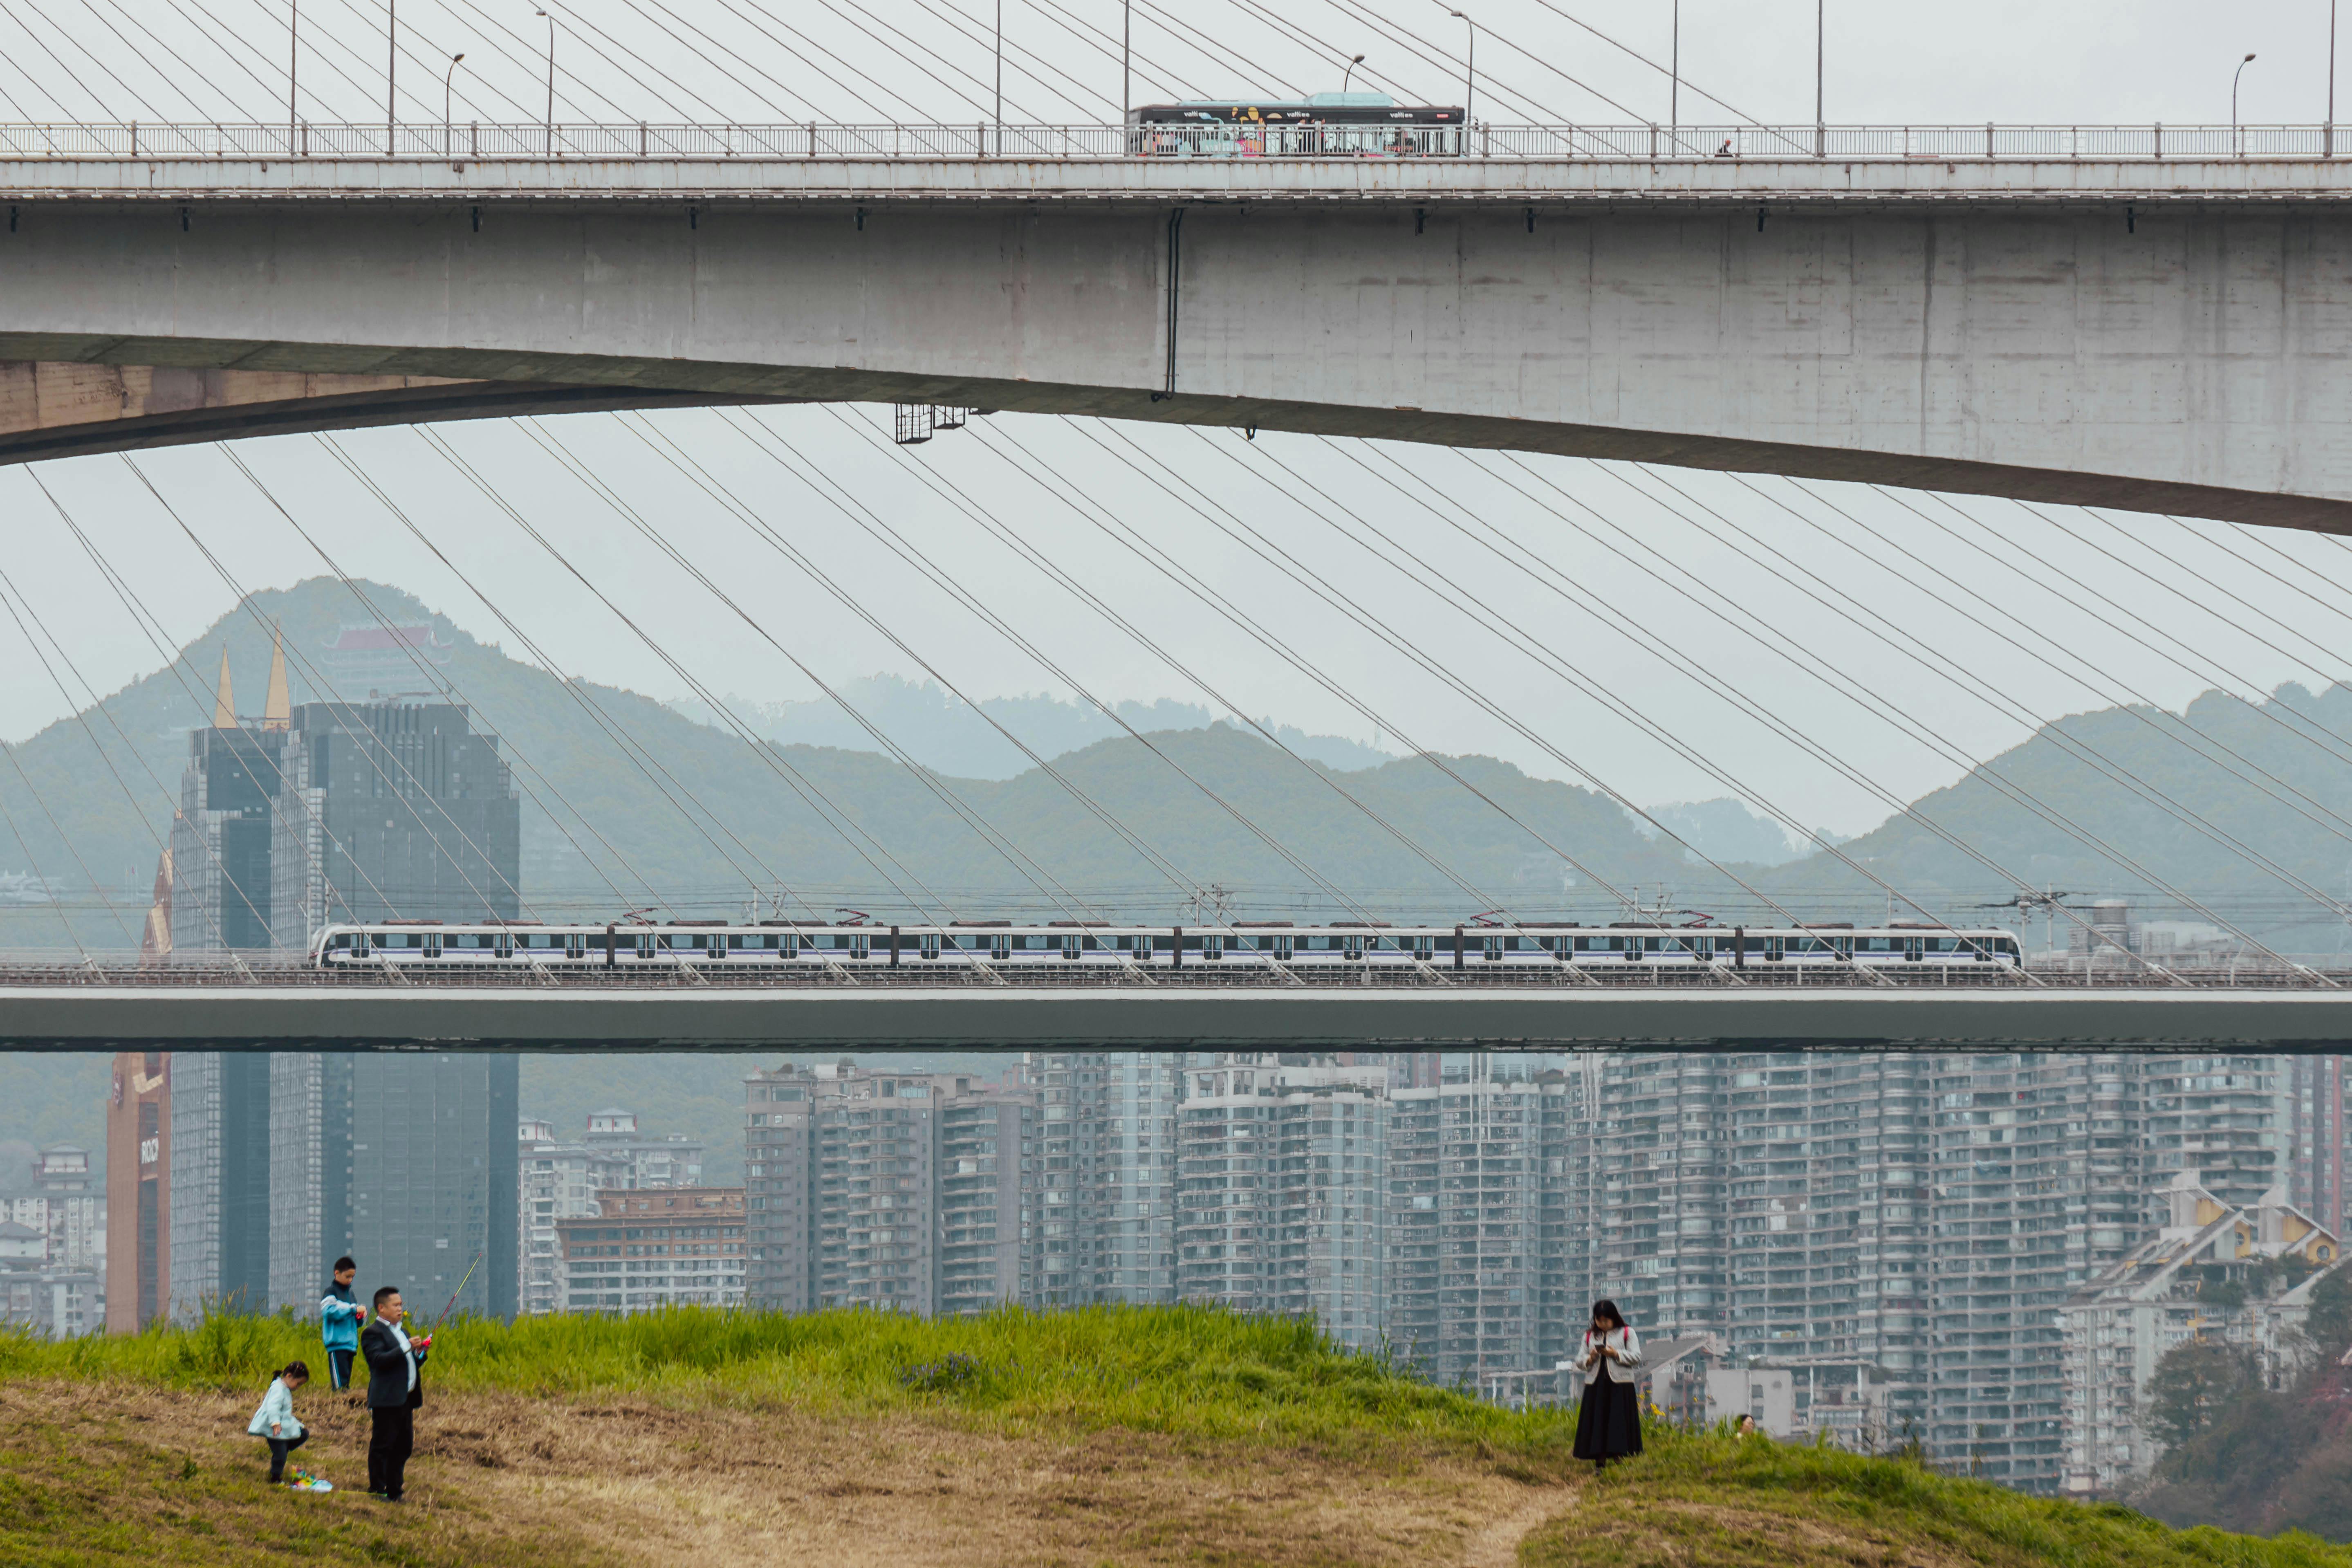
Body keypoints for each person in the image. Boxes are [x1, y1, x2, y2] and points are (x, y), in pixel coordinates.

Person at [360, 1285, 432, 1502]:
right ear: (381, 1308)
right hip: (386, 1399)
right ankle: (378, 1489)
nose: (401, 1309)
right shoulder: (372, 1333)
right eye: (396, 1305)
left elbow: (409, 1364)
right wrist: (405, 1347)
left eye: (401, 1305)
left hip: (406, 1399)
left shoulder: (403, 1332)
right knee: (383, 1445)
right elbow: (378, 1361)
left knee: (404, 1446)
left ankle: (395, 1490)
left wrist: (420, 1353)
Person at [1572, 1299, 1644, 1471]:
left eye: (1606, 1320)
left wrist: (1615, 1354)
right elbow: (1579, 1360)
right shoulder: (1589, 1336)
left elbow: (1636, 1356)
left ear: (1614, 1318)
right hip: (1596, 1385)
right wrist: (1591, 1358)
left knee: (1618, 1421)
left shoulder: (1627, 1333)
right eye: (1599, 1320)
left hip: (1620, 1384)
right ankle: (1600, 1459)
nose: (1603, 1324)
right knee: (1598, 1422)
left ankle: (1619, 1457)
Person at [247, 1360, 330, 1489]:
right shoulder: (278, 1389)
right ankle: (275, 1479)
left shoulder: (284, 1387)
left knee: (304, 1434)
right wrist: (275, 1423)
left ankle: (284, 1448)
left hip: (282, 1424)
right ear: (289, 1376)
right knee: (280, 1456)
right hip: (273, 1427)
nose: (298, 1387)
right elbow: (273, 1407)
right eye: (299, 1384)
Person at [319, 1256, 368, 1396]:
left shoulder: (351, 1295)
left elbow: (356, 1320)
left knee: (346, 1380)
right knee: (339, 1384)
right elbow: (329, 1312)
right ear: (337, 1273)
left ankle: (345, 1402)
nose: (350, 1280)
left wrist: (360, 1318)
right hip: (337, 1344)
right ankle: (338, 1403)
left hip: (350, 1344)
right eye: (348, 1276)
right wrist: (353, 1310)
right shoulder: (331, 1292)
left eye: (352, 1277)